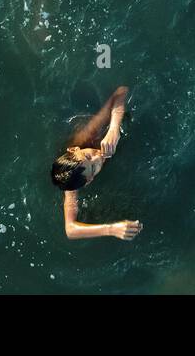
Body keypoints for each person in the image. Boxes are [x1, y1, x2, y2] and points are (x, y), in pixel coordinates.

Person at [50, 86, 142, 241]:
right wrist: (111, 229)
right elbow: (70, 229)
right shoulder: (72, 188)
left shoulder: (88, 137)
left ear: (74, 149)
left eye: (87, 155)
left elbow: (120, 92)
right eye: (93, 167)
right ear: (90, 180)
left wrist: (113, 129)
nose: (97, 157)